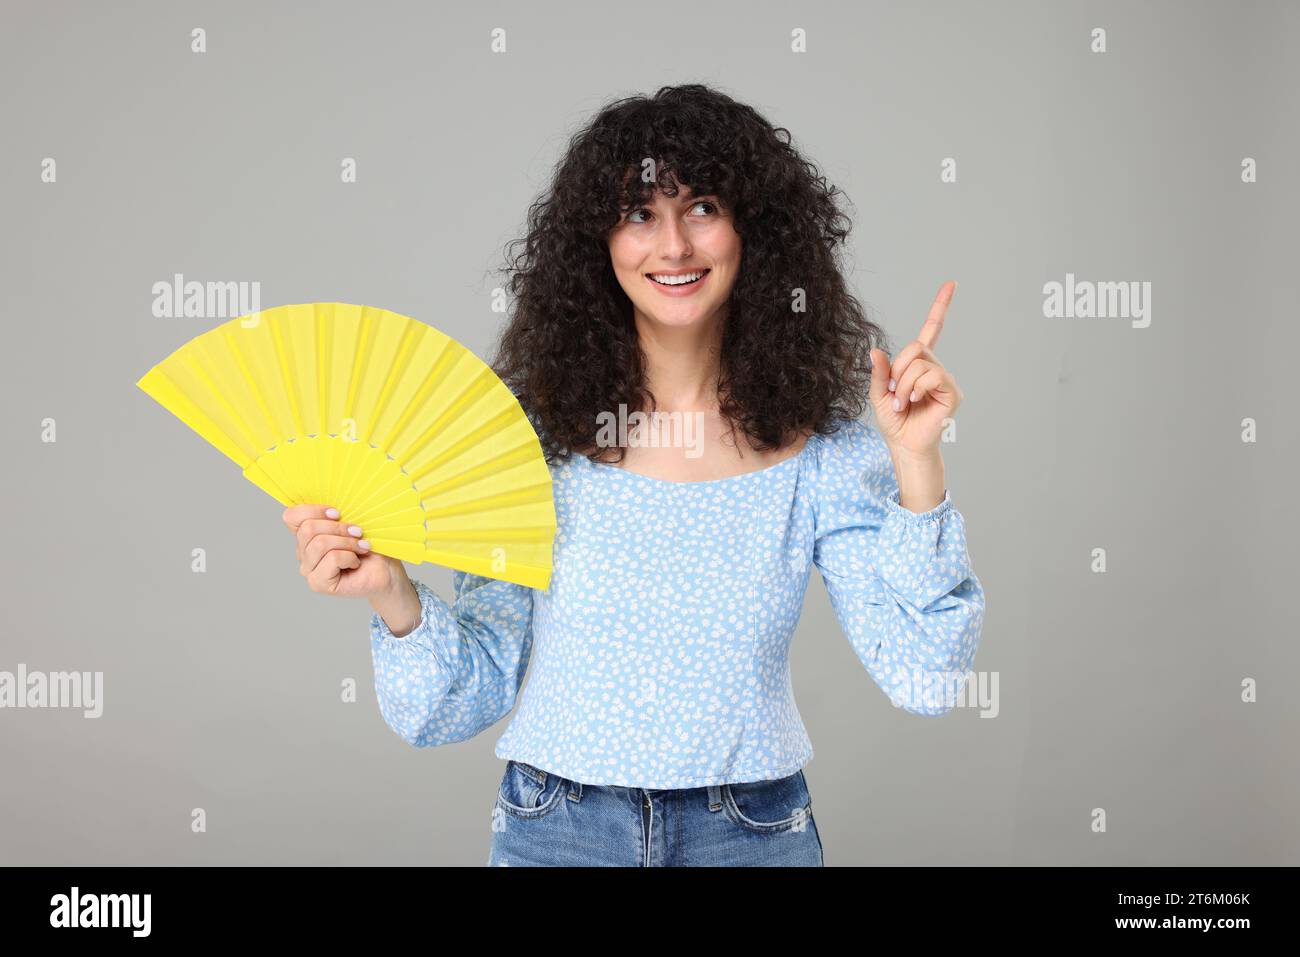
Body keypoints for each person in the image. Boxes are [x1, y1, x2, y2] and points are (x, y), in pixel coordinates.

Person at [282, 84, 985, 866]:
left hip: (749, 836)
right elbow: (463, 698)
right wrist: (392, 592)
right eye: (640, 212)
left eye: (704, 206)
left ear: (757, 231)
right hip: (557, 831)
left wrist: (916, 459)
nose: (675, 245)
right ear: (598, 242)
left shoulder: (821, 453)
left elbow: (925, 678)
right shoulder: (529, 441)